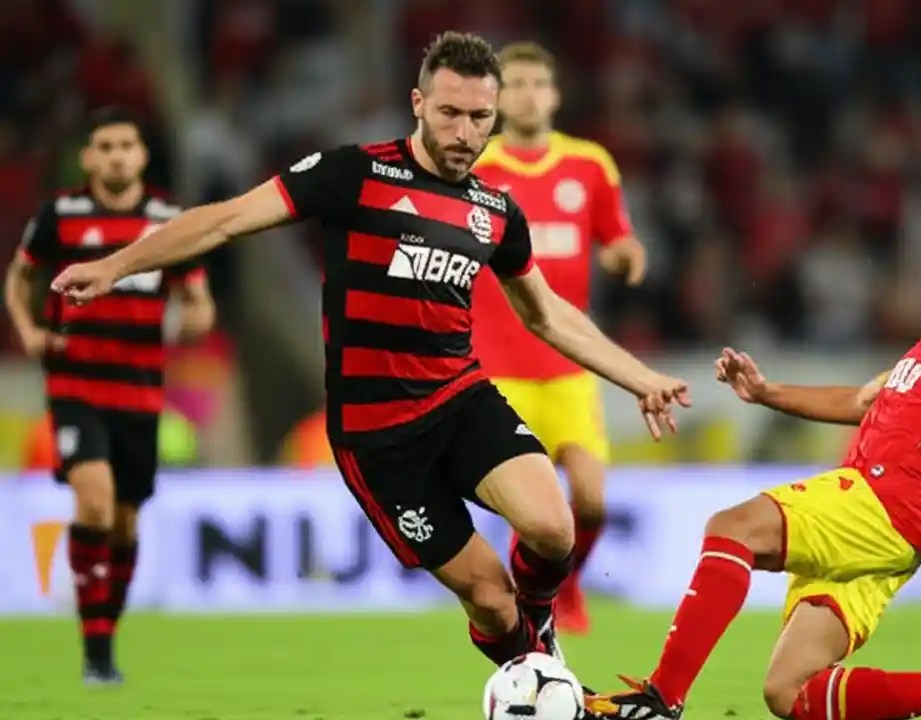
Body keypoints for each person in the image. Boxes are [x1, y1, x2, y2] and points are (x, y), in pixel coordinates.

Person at [49, 32, 688, 673]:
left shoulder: (495, 210)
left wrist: (639, 378)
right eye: (450, 113)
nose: (466, 132)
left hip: (460, 399)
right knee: (491, 601)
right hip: (377, 436)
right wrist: (117, 265)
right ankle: (541, 678)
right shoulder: (354, 174)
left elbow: (546, 315)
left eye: (480, 118)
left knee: (555, 528)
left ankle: (541, 630)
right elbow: (222, 219)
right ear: (417, 102)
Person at [587, 211, 921, 720]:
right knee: (789, 692)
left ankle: (661, 700)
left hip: (881, 505)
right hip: (889, 534)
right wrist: (767, 392)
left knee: (732, 528)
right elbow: (862, 401)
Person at [4, 107, 215, 684]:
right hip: (76, 385)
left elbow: (199, 299)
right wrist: (27, 331)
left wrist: (194, 316)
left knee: (123, 523)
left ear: (142, 155)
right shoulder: (61, 217)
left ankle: (105, 636)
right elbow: (18, 279)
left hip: (141, 395)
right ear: (88, 157)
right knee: (93, 501)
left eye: (127, 144)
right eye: (106, 145)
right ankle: (94, 650)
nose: (118, 155)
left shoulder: (169, 221)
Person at [470, 41, 647, 635]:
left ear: (555, 94)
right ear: (496, 97)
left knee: (591, 501)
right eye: (513, 84)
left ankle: (564, 589)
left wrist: (626, 256)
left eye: (536, 84)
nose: (526, 95)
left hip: (569, 368)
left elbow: (616, 236)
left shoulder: (589, 165)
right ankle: (535, 602)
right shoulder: (477, 167)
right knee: (534, 506)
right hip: (498, 367)